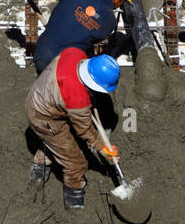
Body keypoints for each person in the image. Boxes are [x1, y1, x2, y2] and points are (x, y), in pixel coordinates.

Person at [26, 49, 122, 209]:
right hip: (44, 118)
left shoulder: (76, 53)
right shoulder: (77, 99)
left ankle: (40, 167)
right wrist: (103, 149)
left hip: (39, 95)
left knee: (57, 143)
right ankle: (73, 197)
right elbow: (85, 131)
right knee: (76, 162)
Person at [5, 0, 137, 72]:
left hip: (41, 57)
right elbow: (93, 36)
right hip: (67, 70)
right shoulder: (109, 22)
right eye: (123, 1)